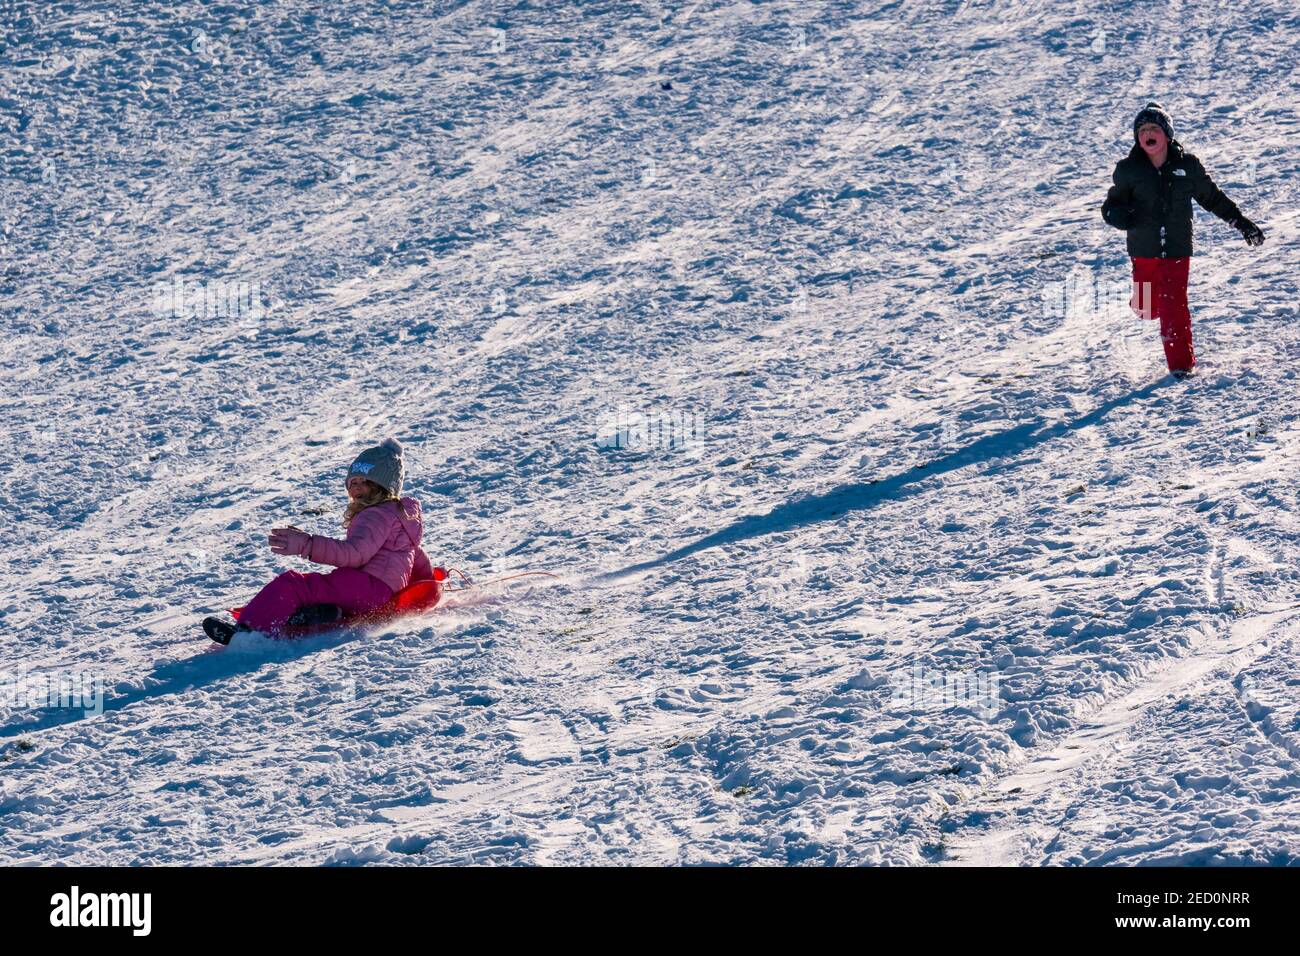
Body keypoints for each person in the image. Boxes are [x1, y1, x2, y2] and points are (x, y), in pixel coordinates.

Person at [202, 438, 434, 643]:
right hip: (379, 596)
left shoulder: (375, 515)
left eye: (366, 482)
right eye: (353, 482)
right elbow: (416, 557)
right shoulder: (401, 518)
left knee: (292, 585)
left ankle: (245, 633)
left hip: (365, 587)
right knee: (319, 589)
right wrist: (430, 582)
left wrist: (307, 544)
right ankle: (319, 614)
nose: (357, 488)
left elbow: (353, 554)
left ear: (383, 487)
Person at [1101, 102, 1264, 379]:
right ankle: (1142, 305)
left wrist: (1241, 223)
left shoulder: (1187, 167)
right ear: (1137, 138)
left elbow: (1213, 198)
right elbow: (1111, 205)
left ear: (1167, 134)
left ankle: (1181, 366)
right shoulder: (1129, 170)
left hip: (1177, 248)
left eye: (1154, 128)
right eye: (1142, 130)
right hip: (1144, 249)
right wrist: (1117, 216)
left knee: (1173, 304)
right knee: (1146, 307)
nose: (1148, 134)